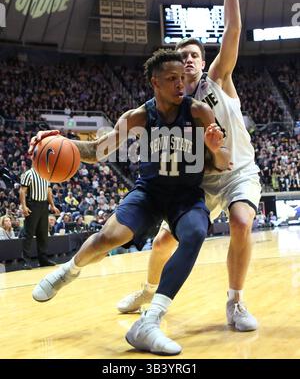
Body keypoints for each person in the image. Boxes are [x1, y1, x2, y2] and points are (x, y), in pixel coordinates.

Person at [30, 49, 230, 355]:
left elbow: (221, 163)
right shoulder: (138, 116)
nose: (180, 84)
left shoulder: (200, 112)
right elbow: (98, 152)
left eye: (182, 78)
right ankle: (68, 270)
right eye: (172, 79)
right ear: (155, 83)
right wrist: (59, 144)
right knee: (110, 236)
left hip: (186, 195)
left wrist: (216, 150)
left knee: (195, 233)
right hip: (149, 192)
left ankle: (150, 323)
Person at [117, 0, 261, 332]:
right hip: (200, 179)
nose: (191, 60)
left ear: (202, 59)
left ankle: (235, 302)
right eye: (184, 58)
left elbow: (232, 30)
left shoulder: (219, 79)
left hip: (238, 169)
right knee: (164, 243)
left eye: (195, 54)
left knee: (241, 221)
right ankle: (148, 289)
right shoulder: (176, 105)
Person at [19, 167, 60, 269]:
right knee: (29, 233)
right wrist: (24, 206)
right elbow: (22, 191)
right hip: (33, 204)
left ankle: (43, 260)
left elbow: (48, 191)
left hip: (44, 205)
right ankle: (26, 261)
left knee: (43, 234)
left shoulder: (46, 173)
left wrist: (52, 205)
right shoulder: (29, 173)